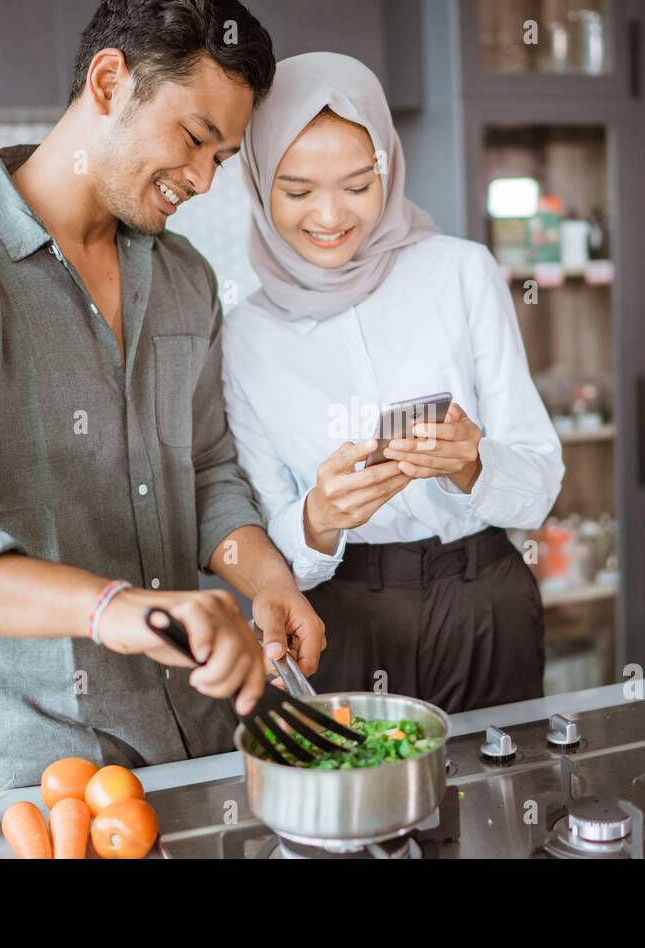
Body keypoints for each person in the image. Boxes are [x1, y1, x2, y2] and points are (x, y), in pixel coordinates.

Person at [0, 0, 325, 789]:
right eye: (194, 139)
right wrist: (108, 607)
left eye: (220, 158)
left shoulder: (186, 279)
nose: (201, 179)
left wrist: (267, 578)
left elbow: (210, 469)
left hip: (206, 741)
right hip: (49, 772)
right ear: (109, 80)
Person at [222, 52, 564, 712]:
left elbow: (539, 487)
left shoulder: (461, 273)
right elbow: (269, 533)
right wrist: (319, 518)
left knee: (501, 802)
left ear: (389, 165)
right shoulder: (245, 334)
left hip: (482, 600)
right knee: (357, 806)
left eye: (358, 184)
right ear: (260, 185)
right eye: (297, 192)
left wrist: (473, 464)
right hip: (338, 619)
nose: (331, 217)